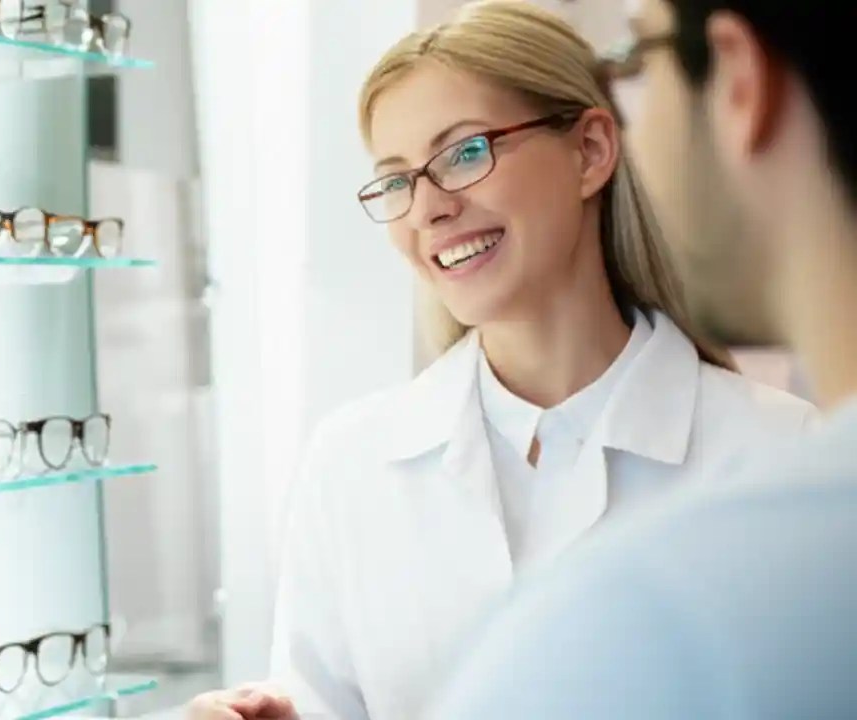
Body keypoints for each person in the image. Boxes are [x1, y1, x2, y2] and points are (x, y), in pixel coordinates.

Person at [185, 2, 817, 719]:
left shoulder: (778, 452)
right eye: (397, 180)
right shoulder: (350, 465)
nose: (428, 208)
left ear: (590, 150)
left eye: (463, 153)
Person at [431, 1, 857, 718]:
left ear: (738, 78)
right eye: (393, 179)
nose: (431, 206)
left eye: (638, 62)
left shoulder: (636, 630)